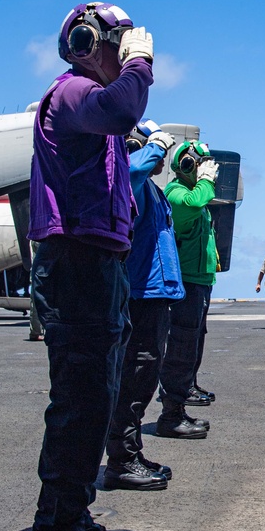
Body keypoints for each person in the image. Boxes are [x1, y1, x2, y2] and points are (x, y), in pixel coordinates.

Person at [27, 1, 153, 531]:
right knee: (81, 400)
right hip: (77, 264)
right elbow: (123, 108)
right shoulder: (74, 92)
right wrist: (141, 64)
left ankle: (70, 514)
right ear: (86, 42)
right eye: (117, 43)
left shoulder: (87, 102)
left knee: (94, 395)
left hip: (93, 265)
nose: (123, 53)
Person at [103, 120, 185, 491]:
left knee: (145, 375)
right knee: (134, 377)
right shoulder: (128, 179)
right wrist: (153, 144)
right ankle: (121, 461)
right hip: (139, 293)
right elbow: (130, 168)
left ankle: (130, 452)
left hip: (155, 294)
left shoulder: (151, 188)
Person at [157, 140, 219, 439]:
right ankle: (171, 413)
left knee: (192, 342)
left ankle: (180, 402)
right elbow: (194, 203)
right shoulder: (177, 193)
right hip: (186, 281)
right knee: (181, 346)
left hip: (200, 279)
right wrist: (206, 180)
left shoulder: (196, 195)